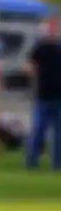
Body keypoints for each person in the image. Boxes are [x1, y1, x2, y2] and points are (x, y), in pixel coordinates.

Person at [24, 18, 61, 170]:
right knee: (39, 130)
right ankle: (33, 161)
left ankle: (54, 163)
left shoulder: (45, 48)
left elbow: (29, 69)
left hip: (52, 96)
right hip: (44, 95)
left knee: (49, 132)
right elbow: (29, 67)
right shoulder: (39, 48)